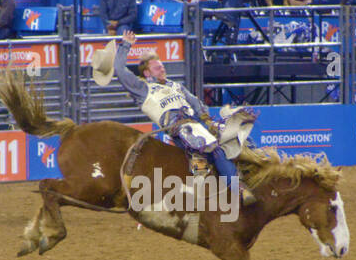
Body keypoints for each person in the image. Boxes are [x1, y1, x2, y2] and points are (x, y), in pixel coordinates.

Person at [106, 29, 252, 200]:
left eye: (162, 66)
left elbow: (195, 102)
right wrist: (125, 45)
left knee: (230, 143)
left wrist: (207, 119)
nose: (162, 69)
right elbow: (119, 70)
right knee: (204, 148)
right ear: (147, 73)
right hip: (177, 125)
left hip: (196, 123)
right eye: (157, 67)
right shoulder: (143, 89)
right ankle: (219, 186)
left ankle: (241, 182)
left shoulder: (176, 86)